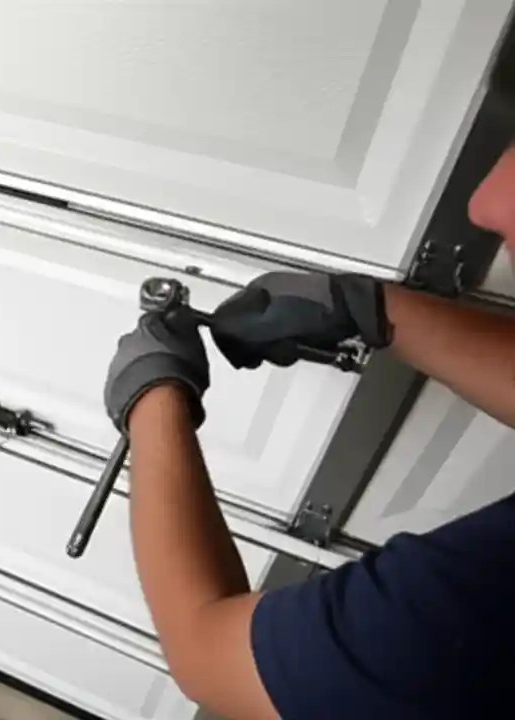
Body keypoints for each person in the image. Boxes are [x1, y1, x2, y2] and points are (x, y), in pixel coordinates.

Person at [104, 145, 515, 719]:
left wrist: (151, 398)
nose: (485, 204)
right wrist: (366, 310)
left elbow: (204, 654)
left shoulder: (471, 608)